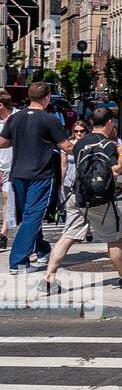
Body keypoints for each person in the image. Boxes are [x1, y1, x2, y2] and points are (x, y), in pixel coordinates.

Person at [40, 107, 122, 294]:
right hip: (100, 201)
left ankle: (49, 277)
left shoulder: (80, 143)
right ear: (109, 122)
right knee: (114, 240)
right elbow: (114, 169)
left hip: (77, 195)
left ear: (91, 123)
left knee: (67, 237)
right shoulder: (109, 145)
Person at [0, 82, 74, 275]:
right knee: (33, 216)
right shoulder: (49, 120)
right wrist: (87, 143)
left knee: (29, 215)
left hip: (18, 174)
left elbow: (4, 142)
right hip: (41, 174)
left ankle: (41, 248)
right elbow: (66, 147)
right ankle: (18, 261)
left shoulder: (15, 118)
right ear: (47, 98)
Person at [0, 92, 13, 251]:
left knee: (6, 199)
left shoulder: (16, 117)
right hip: (1, 164)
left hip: (13, 164)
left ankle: (3, 233)